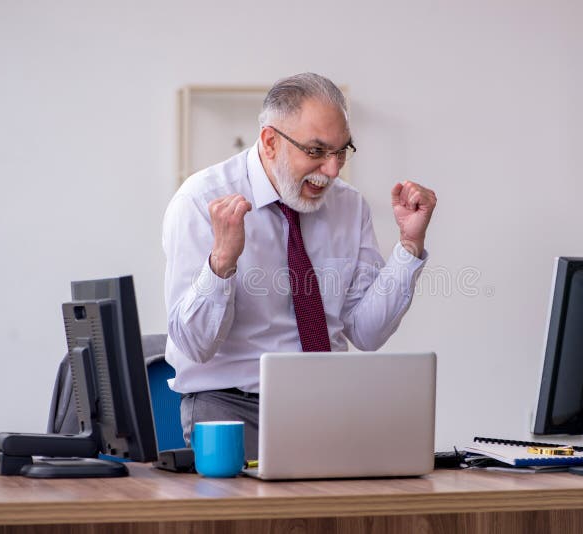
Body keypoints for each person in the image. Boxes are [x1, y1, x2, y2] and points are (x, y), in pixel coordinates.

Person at [162, 73, 437, 458]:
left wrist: (409, 245)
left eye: (341, 151)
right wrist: (221, 261)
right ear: (270, 141)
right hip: (230, 409)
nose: (332, 170)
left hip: (329, 404)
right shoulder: (199, 201)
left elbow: (367, 333)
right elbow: (195, 345)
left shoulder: (349, 206)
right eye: (316, 151)